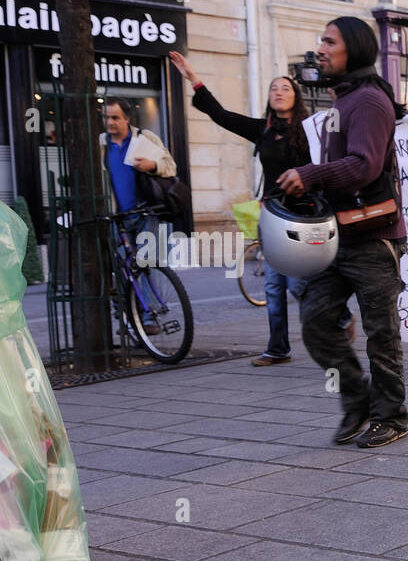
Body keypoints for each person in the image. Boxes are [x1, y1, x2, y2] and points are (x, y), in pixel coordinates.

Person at [274, 16, 408, 449]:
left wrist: (311, 175)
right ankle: (357, 401)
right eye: (320, 41)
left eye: (329, 42)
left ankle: (391, 416)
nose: (321, 48)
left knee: (380, 334)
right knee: (315, 321)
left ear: (353, 48)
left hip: (373, 236)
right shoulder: (345, 100)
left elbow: (365, 165)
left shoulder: (368, 101)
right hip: (338, 237)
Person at [169, 51, 326, 367]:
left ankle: (335, 320)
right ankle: (278, 348)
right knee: (272, 285)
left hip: (302, 216)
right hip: (271, 215)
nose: (279, 92)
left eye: (285, 88)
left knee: (297, 284)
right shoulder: (262, 129)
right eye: (274, 89)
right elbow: (221, 115)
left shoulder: (309, 129)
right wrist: (193, 78)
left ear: (295, 97)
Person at [99, 97, 178, 243]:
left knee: (151, 263)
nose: (110, 122)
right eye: (106, 117)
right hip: (118, 219)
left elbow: (171, 167)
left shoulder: (145, 137)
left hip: (147, 215)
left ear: (127, 119)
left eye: (115, 117)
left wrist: (153, 165)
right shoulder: (101, 143)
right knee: (126, 264)